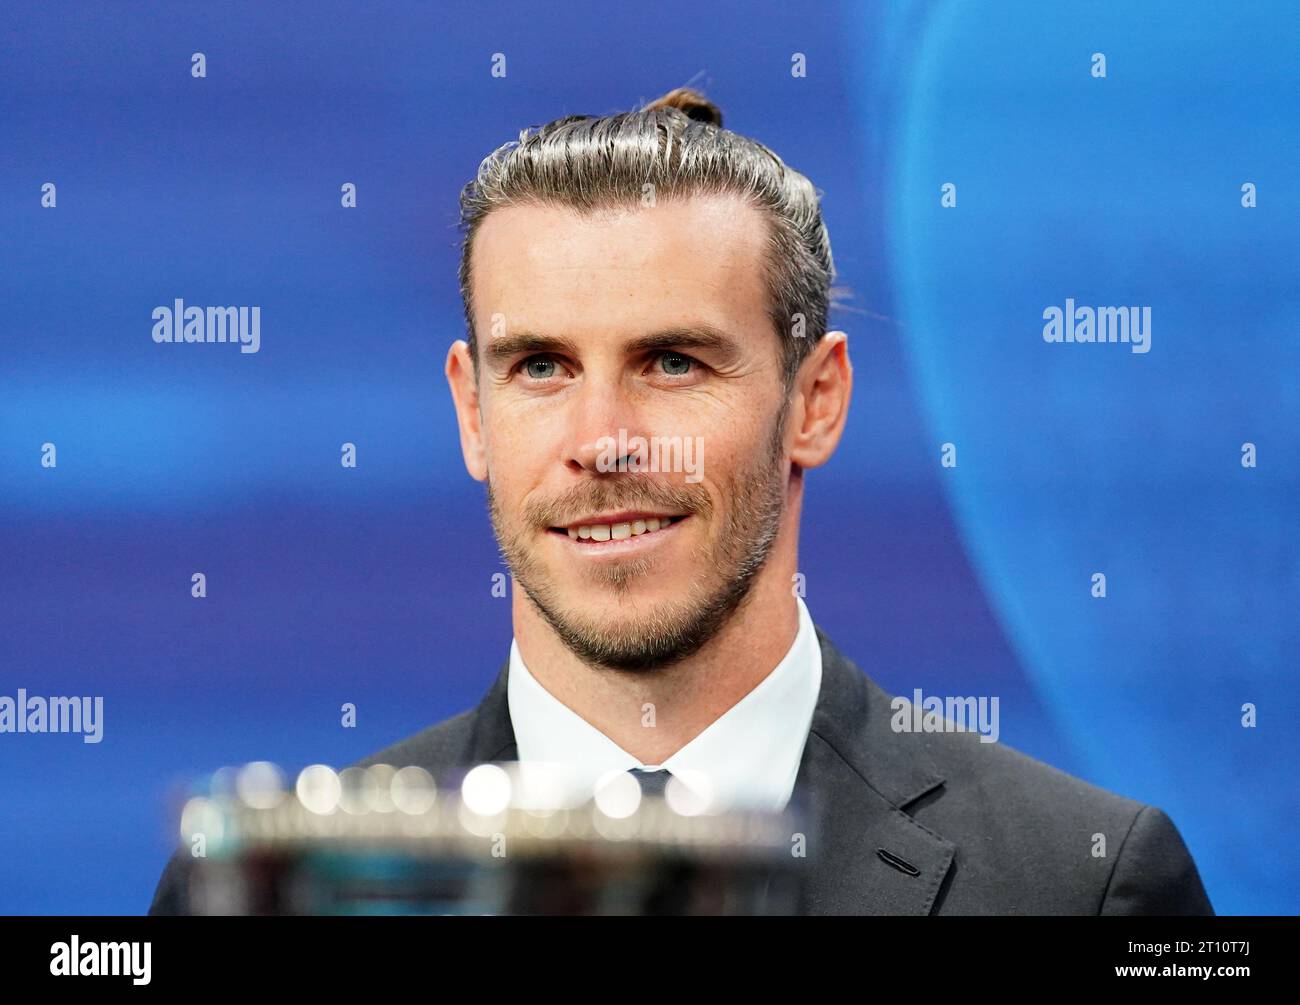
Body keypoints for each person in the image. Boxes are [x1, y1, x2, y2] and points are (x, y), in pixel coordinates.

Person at [149, 87, 1213, 916]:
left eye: (672, 362)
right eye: (540, 368)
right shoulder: (262, 895)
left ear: (815, 400)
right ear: (471, 412)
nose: (603, 442)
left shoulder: (1080, 884)